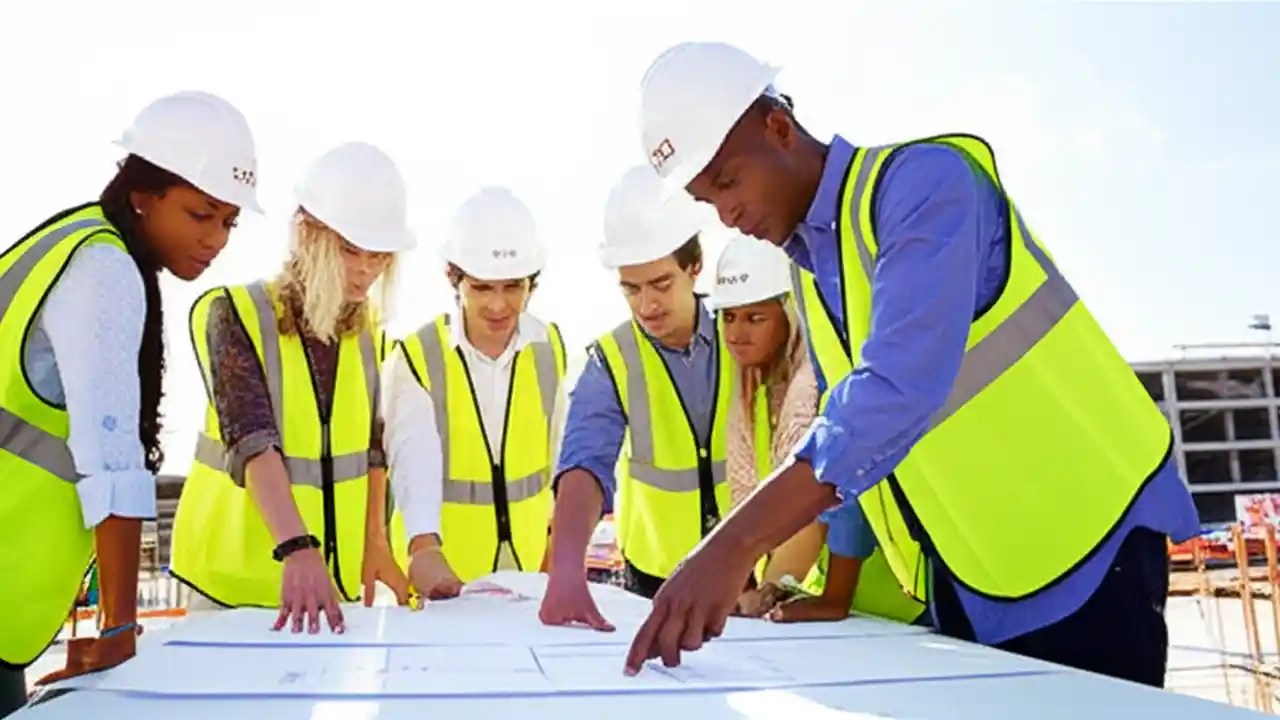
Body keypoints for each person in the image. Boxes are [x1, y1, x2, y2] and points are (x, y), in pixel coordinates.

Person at [623, 40, 1200, 688]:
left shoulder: (925, 186)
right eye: (708, 201)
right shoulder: (814, 268)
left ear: (778, 128)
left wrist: (732, 546)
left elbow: (894, 393)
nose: (726, 213)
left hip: (1086, 545)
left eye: (727, 181)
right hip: (974, 569)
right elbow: (851, 442)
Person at [0, 90, 260, 715]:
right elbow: (111, 460)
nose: (217, 239)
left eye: (229, 220)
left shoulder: (65, 240)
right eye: (200, 215)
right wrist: (120, 629)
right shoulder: (105, 269)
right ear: (143, 195)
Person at [169, 141, 415, 635]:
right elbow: (252, 440)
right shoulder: (234, 314)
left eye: (379, 255)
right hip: (234, 591)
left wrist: (375, 543)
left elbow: (371, 453)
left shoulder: (371, 335)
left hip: (329, 587)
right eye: (350, 250)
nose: (367, 269)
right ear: (306, 233)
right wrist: (297, 548)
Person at [538, 165, 729, 630]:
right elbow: (585, 461)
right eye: (632, 289)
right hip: (652, 583)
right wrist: (566, 570)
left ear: (694, 266)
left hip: (749, 575)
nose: (647, 306)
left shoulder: (745, 329)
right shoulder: (612, 358)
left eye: (661, 284)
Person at [712, 237, 926, 626]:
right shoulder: (753, 397)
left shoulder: (819, 385)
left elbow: (829, 495)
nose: (736, 333)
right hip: (829, 607)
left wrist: (773, 592)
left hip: (892, 598)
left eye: (755, 317)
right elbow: (746, 501)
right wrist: (740, 585)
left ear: (789, 314)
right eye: (729, 317)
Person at [384, 187, 566, 598]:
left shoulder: (549, 347)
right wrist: (423, 546)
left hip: (527, 577)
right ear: (455, 278)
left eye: (513, 287)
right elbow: (413, 463)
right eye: (483, 288)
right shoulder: (417, 356)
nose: (499, 305)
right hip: (442, 580)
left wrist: (558, 547)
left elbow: (557, 459)